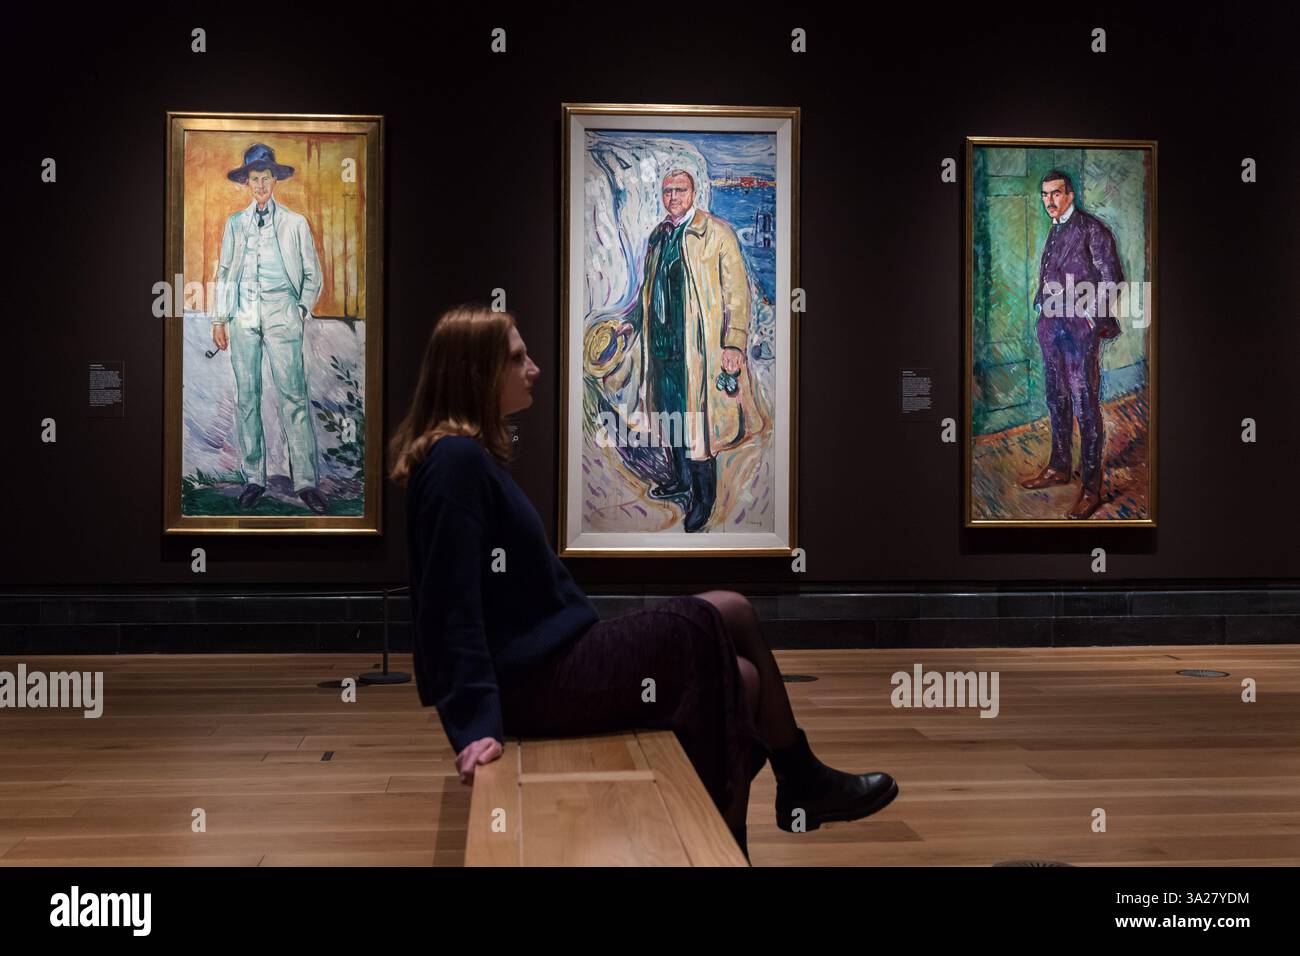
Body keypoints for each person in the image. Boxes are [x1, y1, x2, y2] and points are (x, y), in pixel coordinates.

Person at [388, 303, 899, 862]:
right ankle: (774, 803)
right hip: (536, 682)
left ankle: (764, 811)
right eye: (516, 358)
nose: (533, 368)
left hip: (550, 662)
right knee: (708, 621)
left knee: (740, 664)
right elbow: (449, 604)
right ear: (474, 374)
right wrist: (475, 726)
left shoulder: (463, 456)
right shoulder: (456, 462)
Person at [619, 169, 766, 532]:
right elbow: (646, 292)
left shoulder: (716, 234)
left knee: (700, 426)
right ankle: (680, 481)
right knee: (671, 416)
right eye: (667, 191)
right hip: (662, 350)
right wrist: (632, 323)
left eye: (679, 190)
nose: (672, 196)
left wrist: (734, 342)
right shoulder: (658, 236)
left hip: (697, 352)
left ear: (693, 192)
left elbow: (737, 293)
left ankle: (703, 498)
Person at [210, 143, 328, 515]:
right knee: (248, 397)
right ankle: (254, 478)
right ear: (246, 183)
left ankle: (306, 482)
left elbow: (313, 275)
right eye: (254, 179)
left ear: (274, 180)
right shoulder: (235, 223)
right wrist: (219, 318)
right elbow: (225, 273)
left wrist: (299, 309)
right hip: (244, 314)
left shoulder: (295, 224)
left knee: (293, 396)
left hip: (283, 313)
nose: (260, 185)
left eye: (266, 178)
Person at [1020, 169, 1124, 520]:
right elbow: (1051, 271)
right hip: (1051, 326)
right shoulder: (1055, 227)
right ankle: (1059, 467)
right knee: (1056, 397)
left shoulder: (1093, 230)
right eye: (1044, 194)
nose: (1049, 200)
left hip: (1079, 333)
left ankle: (1092, 488)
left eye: (1055, 193)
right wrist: (1041, 306)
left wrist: (1091, 320)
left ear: (1070, 195)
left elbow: (1112, 280)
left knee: (1085, 405)